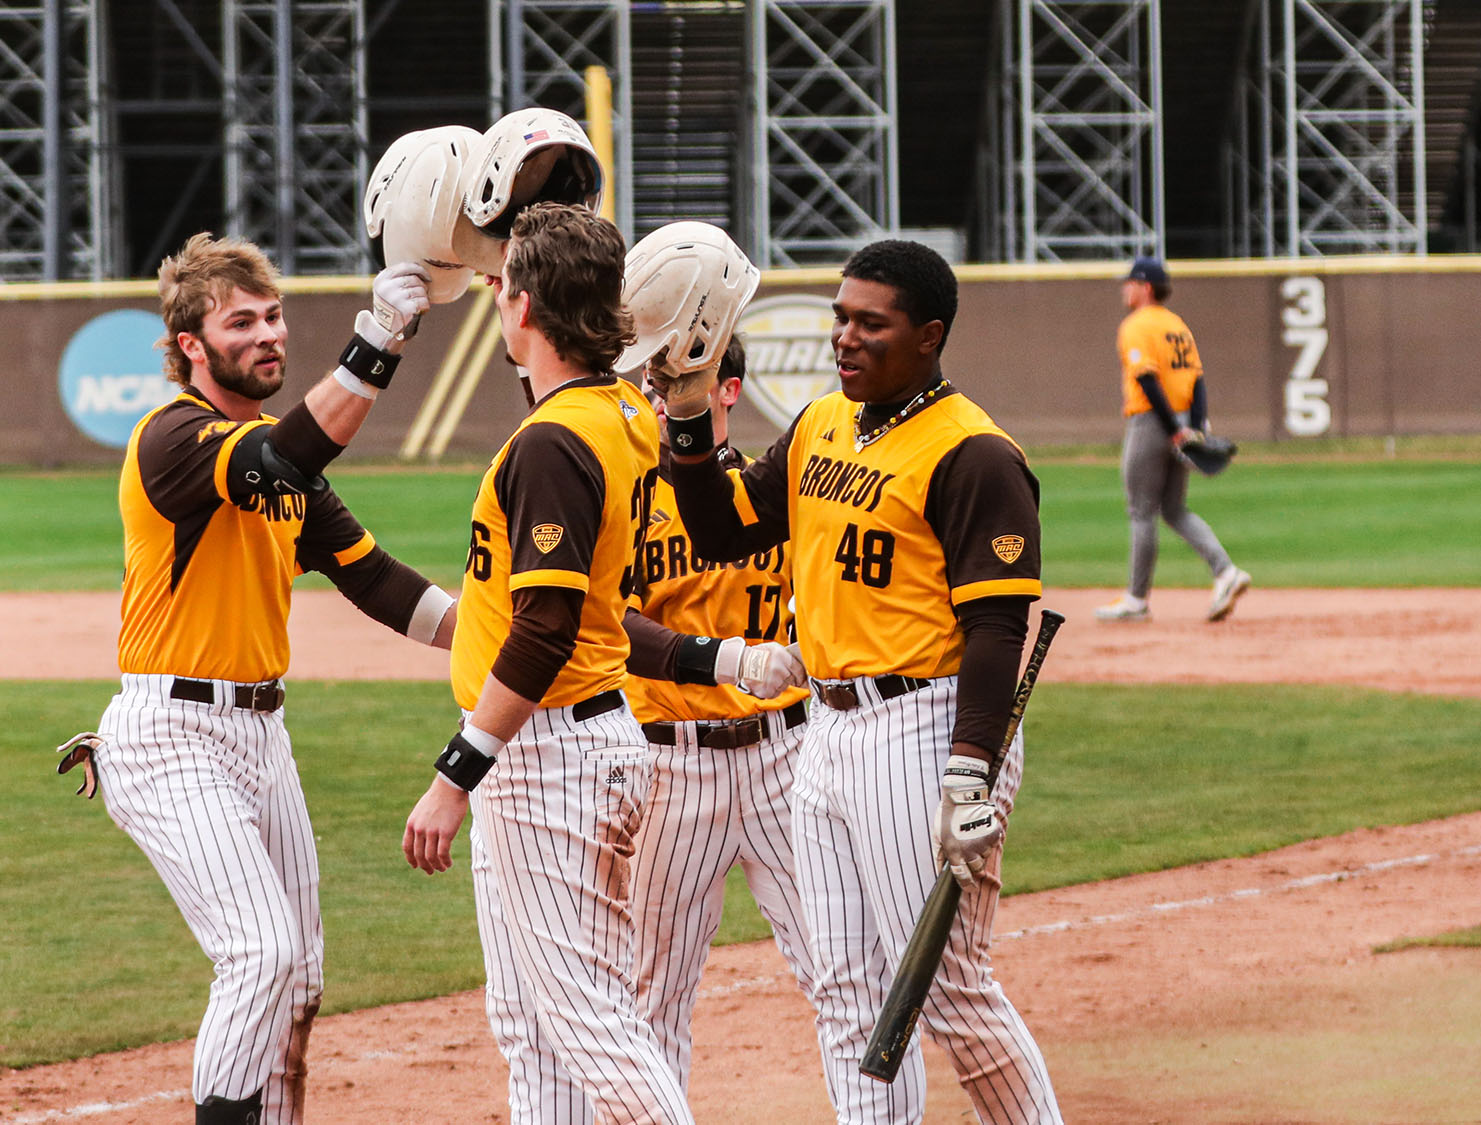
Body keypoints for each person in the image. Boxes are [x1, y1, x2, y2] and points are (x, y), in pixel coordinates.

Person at [650, 239, 1063, 1123]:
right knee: (846, 990)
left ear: (928, 335)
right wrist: (688, 412)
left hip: (927, 725)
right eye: (839, 317)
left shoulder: (975, 454)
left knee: (948, 992)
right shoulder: (819, 425)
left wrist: (970, 769)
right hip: (827, 731)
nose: (844, 337)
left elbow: (997, 627)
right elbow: (724, 529)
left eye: (869, 323)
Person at [55, 232, 456, 1125]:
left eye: (274, 316)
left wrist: (495, 641)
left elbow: (376, 579)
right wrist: (380, 337)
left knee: (301, 974)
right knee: (261, 951)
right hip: (170, 735)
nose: (268, 333)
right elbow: (280, 459)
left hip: (259, 734)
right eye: (241, 322)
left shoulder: (286, 463)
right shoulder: (174, 437)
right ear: (191, 345)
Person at [399, 202, 694, 1125]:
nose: (495, 303)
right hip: (579, 738)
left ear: (525, 308)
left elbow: (545, 626)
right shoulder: (617, 410)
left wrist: (457, 772)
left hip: (549, 754)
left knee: (591, 1023)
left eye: (503, 291)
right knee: (534, 1026)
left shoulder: (556, 440)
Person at [608, 221, 829, 1100]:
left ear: (726, 386)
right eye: (654, 379)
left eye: (678, 377)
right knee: (651, 996)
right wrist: (719, 661)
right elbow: (604, 621)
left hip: (786, 757)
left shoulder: (772, 494)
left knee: (841, 967)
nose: (659, 395)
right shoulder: (626, 493)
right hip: (671, 767)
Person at [1094, 255, 1250, 624]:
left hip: (1152, 421)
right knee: (1174, 509)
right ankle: (1225, 572)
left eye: (1129, 282)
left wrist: (1172, 429)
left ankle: (1136, 600)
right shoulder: (1177, 325)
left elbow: (1147, 380)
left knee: (1141, 510)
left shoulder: (1137, 325)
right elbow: (1197, 380)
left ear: (1145, 287)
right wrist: (1194, 427)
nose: (1124, 288)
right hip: (1182, 417)